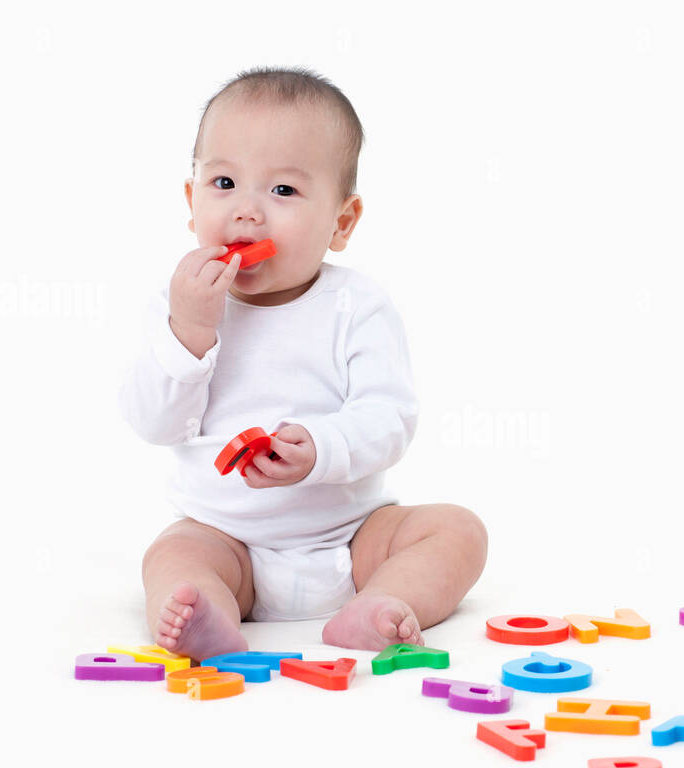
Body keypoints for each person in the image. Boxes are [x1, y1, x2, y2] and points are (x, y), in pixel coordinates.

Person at [118, 67, 487, 661]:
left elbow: (388, 418)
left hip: (352, 538)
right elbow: (153, 424)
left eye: (283, 191)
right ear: (191, 202)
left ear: (341, 223)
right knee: (171, 555)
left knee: (458, 531)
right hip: (226, 536)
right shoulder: (179, 305)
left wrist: (319, 446)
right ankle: (207, 614)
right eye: (224, 182)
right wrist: (190, 332)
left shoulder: (356, 305)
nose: (247, 213)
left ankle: (380, 604)